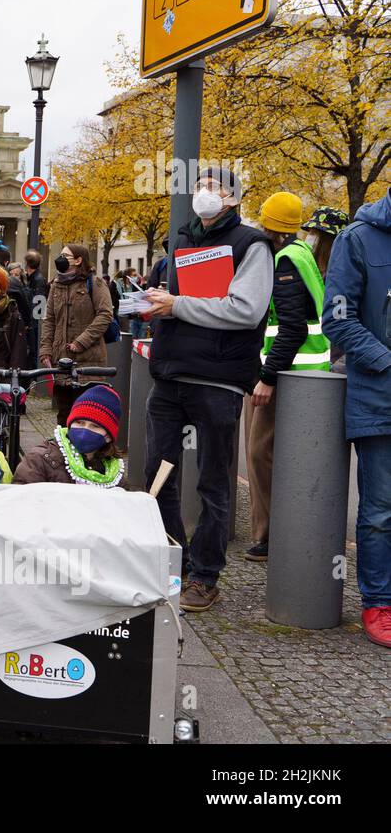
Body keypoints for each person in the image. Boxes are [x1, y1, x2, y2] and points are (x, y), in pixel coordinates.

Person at [143, 167, 273, 613]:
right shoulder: (181, 239)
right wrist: (158, 305)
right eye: (199, 187)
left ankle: (204, 575)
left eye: (214, 189)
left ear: (234, 199)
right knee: (158, 476)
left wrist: (178, 304)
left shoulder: (252, 245)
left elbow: (245, 309)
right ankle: (169, 561)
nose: (204, 195)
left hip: (217, 380)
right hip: (169, 373)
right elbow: (182, 300)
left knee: (214, 482)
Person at [243, 193, 333, 563]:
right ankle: (285, 534)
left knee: (260, 453)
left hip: (289, 375)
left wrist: (267, 377)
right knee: (284, 456)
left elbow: (292, 327)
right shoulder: (301, 256)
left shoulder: (284, 262)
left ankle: (270, 537)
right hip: (306, 374)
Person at [321, 191, 391, 647]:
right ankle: (380, 602)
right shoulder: (358, 238)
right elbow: (338, 318)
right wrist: (386, 360)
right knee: (381, 510)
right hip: (381, 399)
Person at [39, 243, 113, 426]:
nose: (61, 259)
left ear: (79, 260)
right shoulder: (56, 285)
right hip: (61, 363)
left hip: (88, 362)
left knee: (85, 416)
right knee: (63, 417)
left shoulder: (95, 283)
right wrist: (45, 349)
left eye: (66, 256)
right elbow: (49, 320)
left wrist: (81, 342)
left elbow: (105, 315)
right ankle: (64, 453)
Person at [14, 385, 126, 488]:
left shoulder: (114, 472)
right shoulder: (40, 459)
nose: (84, 430)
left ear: (108, 437)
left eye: (95, 426)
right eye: (79, 422)